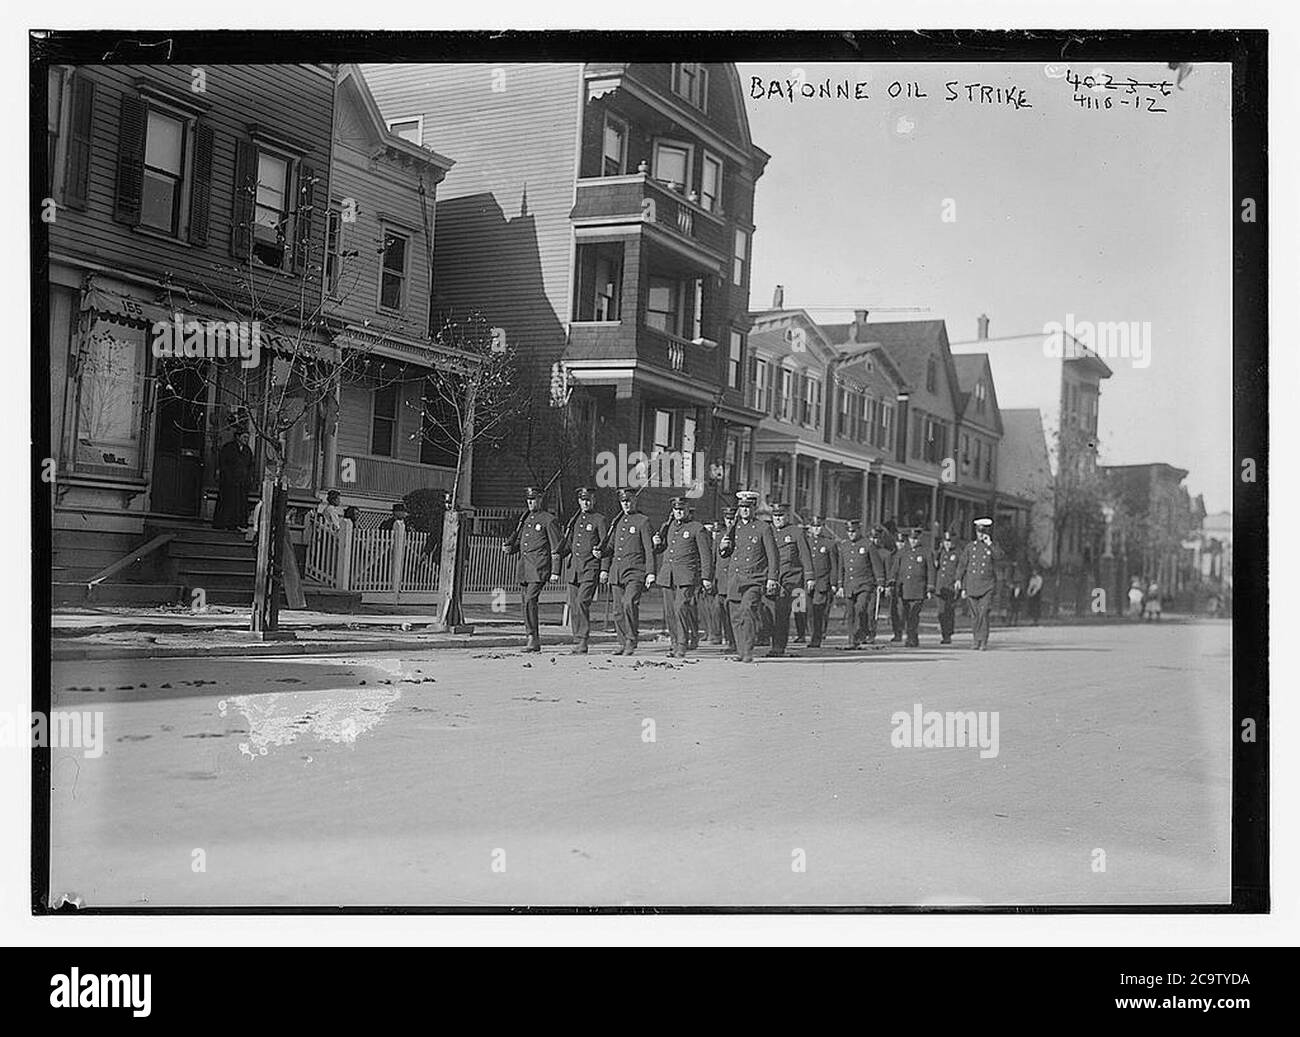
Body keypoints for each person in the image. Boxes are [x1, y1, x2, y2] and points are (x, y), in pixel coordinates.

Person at [718, 491, 778, 663]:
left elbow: (773, 556)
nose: (745, 510)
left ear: (754, 508)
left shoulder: (763, 528)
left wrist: (772, 579)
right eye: (742, 507)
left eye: (748, 507)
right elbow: (725, 553)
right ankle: (741, 650)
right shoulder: (733, 528)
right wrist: (723, 547)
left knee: (747, 610)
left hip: (754, 578)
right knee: (735, 615)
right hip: (735, 578)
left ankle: (748, 649)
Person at [502, 486, 562, 653]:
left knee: (530, 600)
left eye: (534, 499)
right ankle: (531, 638)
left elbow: (556, 547)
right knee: (525, 603)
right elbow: (522, 543)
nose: (530, 502)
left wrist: (555, 571)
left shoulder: (548, 519)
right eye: (528, 499)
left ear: (541, 500)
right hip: (524, 568)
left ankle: (532, 637)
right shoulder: (526, 519)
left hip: (539, 568)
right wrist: (510, 548)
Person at [600, 488, 656, 655]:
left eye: (629, 501)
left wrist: (650, 572)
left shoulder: (643, 521)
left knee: (628, 603)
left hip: (635, 572)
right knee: (617, 609)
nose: (626, 504)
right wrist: (601, 552)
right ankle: (622, 641)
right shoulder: (618, 521)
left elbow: (648, 549)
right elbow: (610, 546)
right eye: (623, 501)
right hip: (617, 572)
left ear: (635, 501)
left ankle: (631, 639)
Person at [655, 496, 714, 658]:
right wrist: (657, 542)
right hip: (668, 575)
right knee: (669, 612)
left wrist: (706, 577)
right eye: (676, 509)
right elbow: (661, 550)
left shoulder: (696, 528)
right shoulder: (667, 526)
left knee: (680, 607)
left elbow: (705, 555)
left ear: (688, 510)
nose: (678, 512)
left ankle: (682, 643)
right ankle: (674, 643)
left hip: (687, 576)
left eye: (681, 509)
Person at [562, 487, 607, 654]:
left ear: (593, 500)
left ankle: (583, 639)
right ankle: (577, 639)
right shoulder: (574, 520)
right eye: (583, 499)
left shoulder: (599, 519)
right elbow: (570, 544)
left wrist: (604, 569)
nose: (586, 502)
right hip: (574, 568)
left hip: (590, 568)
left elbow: (605, 545)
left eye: (589, 499)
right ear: (578, 501)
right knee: (574, 604)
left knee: (582, 602)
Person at [767, 502, 814, 658]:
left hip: (790, 579)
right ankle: (768, 640)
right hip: (770, 578)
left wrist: (809, 577)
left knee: (782, 612)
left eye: (781, 516)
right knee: (769, 613)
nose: (778, 519)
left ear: (787, 516)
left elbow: (805, 555)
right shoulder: (767, 531)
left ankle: (779, 646)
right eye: (775, 516)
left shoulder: (796, 532)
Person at [955, 517, 1001, 650]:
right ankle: (976, 639)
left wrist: (990, 544)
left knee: (983, 612)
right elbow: (963, 565)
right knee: (974, 615)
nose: (981, 534)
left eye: (983, 532)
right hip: (972, 586)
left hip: (987, 586)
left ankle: (983, 640)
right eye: (979, 532)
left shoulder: (992, 546)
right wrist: (959, 580)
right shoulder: (970, 547)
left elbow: (999, 556)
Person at [890, 527, 935, 647]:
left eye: (916, 539)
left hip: (918, 589)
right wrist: (892, 582)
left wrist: (930, 588)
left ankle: (911, 637)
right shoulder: (902, 551)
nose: (913, 541)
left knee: (914, 614)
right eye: (911, 539)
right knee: (904, 614)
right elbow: (895, 569)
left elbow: (931, 570)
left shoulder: (926, 552)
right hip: (904, 589)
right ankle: (912, 636)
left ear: (920, 539)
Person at [803, 515, 840, 648]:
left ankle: (816, 637)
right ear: (810, 528)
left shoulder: (829, 544)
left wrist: (834, 583)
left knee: (818, 611)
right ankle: (812, 634)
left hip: (822, 583)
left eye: (819, 526)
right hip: (807, 583)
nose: (816, 529)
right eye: (814, 527)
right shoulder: (805, 542)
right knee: (808, 611)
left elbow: (834, 565)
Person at [838, 519, 876, 649]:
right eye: (849, 532)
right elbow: (841, 567)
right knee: (850, 613)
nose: (851, 534)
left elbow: (876, 566)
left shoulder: (868, 545)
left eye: (853, 531)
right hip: (849, 585)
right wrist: (839, 585)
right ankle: (852, 639)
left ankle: (860, 633)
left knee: (860, 608)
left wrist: (880, 582)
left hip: (865, 584)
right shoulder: (844, 545)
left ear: (859, 531)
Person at [213, 427, 254, 531]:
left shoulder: (247, 450)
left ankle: (237, 524)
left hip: (242, 482)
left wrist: (248, 478)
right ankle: (223, 523)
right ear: (237, 437)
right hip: (229, 482)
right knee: (227, 503)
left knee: (240, 504)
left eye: (247, 438)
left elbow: (250, 466)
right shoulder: (228, 448)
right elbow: (223, 464)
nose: (246, 439)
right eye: (244, 437)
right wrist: (228, 477)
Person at [711, 506, 738, 652]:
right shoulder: (720, 535)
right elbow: (714, 559)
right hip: (721, 581)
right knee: (723, 612)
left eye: (732, 518)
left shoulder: (741, 533)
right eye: (727, 519)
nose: (730, 521)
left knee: (734, 613)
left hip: (735, 580)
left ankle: (736, 642)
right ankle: (729, 641)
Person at [864, 525, 894, 643]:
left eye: (875, 538)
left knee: (872, 610)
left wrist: (886, 586)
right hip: (863, 583)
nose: (873, 541)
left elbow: (887, 571)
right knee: (861, 609)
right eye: (871, 538)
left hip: (876, 586)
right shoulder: (864, 550)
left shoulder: (885, 554)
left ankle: (871, 632)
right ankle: (862, 632)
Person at [932, 528, 962, 644]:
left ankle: (947, 634)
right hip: (940, 587)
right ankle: (944, 632)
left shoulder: (958, 553)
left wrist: (959, 583)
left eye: (949, 541)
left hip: (951, 587)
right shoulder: (940, 553)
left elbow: (960, 569)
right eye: (945, 541)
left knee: (949, 611)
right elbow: (935, 567)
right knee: (941, 611)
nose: (947, 544)